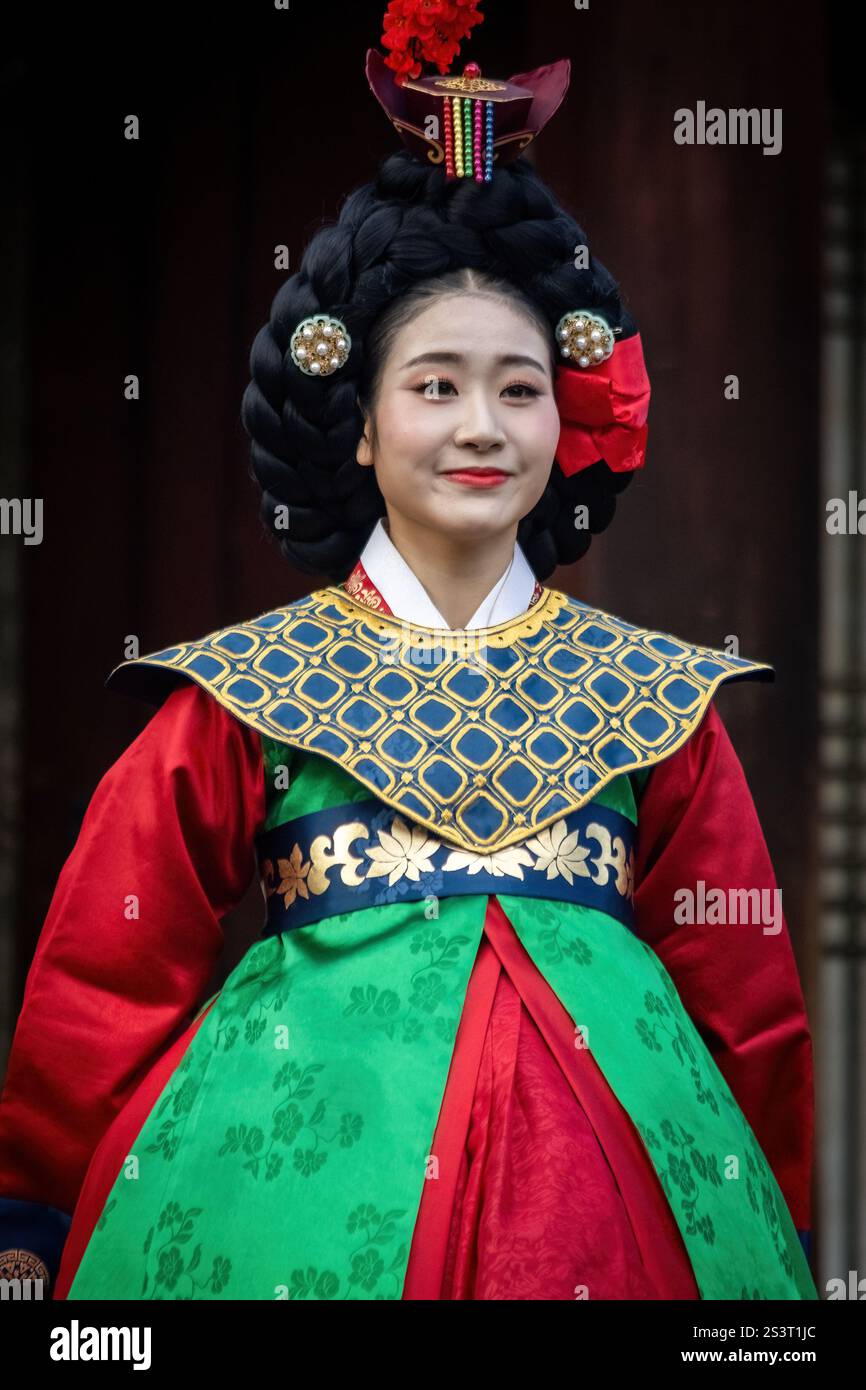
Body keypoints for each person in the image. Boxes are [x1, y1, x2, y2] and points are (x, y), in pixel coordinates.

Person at [0, 11, 816, 1301]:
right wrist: (35, 1212)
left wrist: (769, 1211)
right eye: (434, 387)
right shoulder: (252, 690)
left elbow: (747, 1002)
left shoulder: (657, 701)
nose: (482, 426)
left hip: (621, 1208)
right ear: (362, 431)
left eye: (521, 388)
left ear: (566, 418)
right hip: (286, 1189)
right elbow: (109, 958)